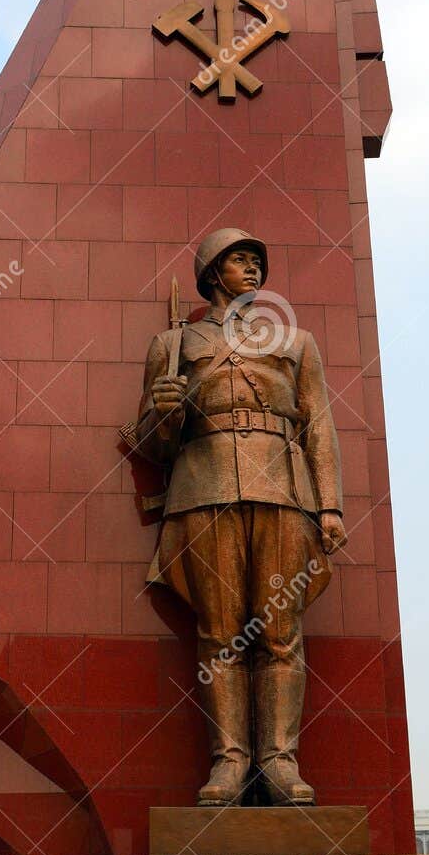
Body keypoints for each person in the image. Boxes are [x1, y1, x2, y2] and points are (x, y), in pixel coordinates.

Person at [134, 227, 345, 806]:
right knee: (220, 635)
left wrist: (329, 505)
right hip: (204, 488)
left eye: (257, 261)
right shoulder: (172, 345)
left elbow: (319, 425)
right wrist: (165, 412)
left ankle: (279, 762)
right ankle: (228, 763)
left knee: (280, 633)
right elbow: (153, 446)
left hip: (282, 490)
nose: (251, 270)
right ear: (211, 273)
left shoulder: (296, 342)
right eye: (238, 261)